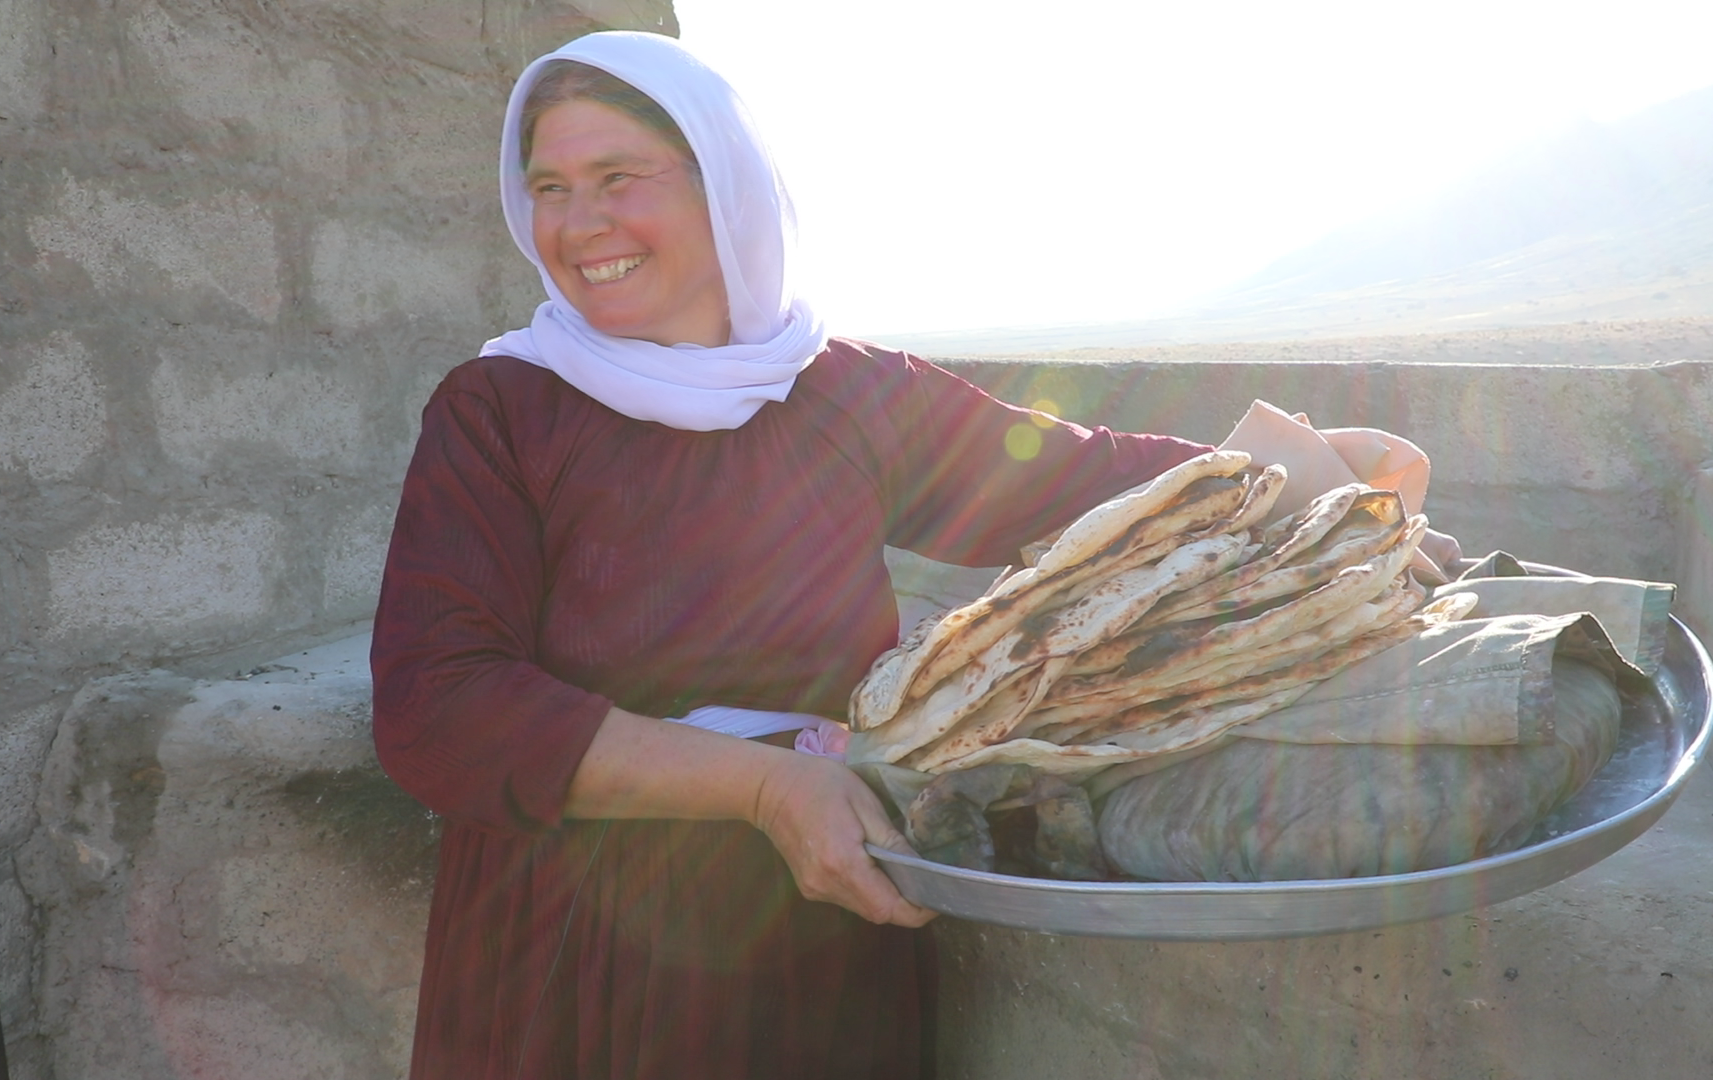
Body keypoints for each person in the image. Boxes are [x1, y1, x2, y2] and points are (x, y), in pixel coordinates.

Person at [370, 30, 1216, 1080]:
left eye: (617, 179)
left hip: (817, 934)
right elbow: (439, 708)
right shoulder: (503, 411)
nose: (579, 225)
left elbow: (1083, 478)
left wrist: (1311, 471)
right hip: (578, 948)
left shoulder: (843, 394)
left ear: (723, 185)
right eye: (548, 186)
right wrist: (765, 790)